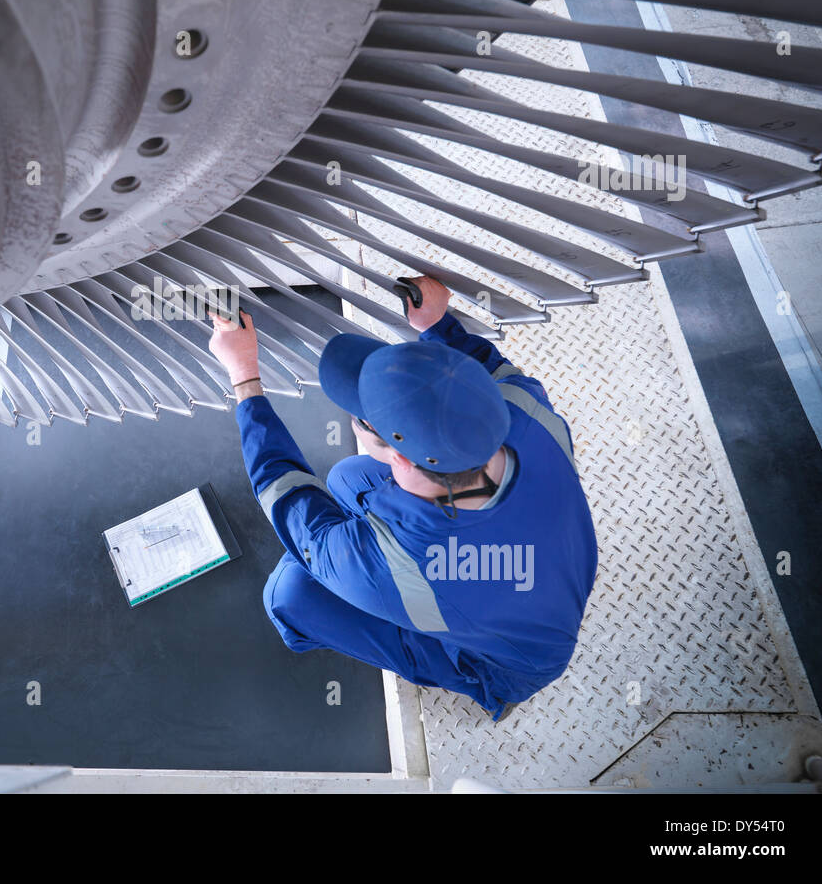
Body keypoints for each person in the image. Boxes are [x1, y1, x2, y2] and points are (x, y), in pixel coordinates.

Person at [207, 275, 598, 720]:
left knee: (289, 591)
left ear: (403, 459)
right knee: (348, 478)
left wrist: (244, 377)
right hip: (552, 573)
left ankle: (489, 691)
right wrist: (438, 322)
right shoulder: (525, 409)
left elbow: (284, 494)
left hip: (513, 664)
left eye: (360, 416)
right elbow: (484, 372)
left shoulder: (392, 568)